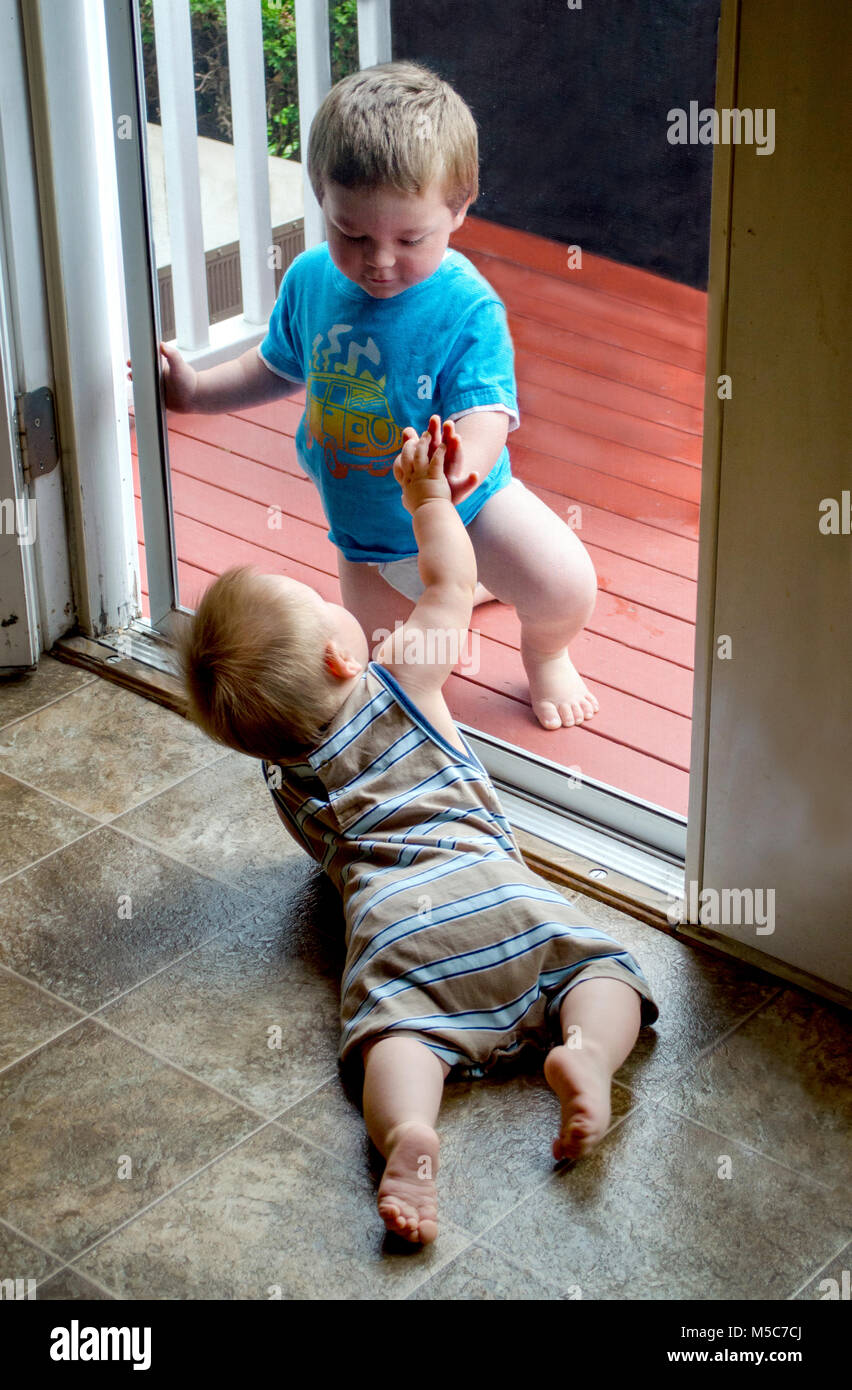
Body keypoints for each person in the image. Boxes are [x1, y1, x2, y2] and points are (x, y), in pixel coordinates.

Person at [178, 419, 659, 1246]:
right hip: (498, 888)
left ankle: (408, 1132)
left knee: (391, 1032)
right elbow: (451, 580)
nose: (334, 597)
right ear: (340, 655)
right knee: (603, 966)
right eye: (319, 599)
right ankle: (586, 1053)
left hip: (394, 926)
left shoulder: (285, 778)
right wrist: (427, 496)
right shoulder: (402, 678)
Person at [155, 60, 601, 733]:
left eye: (409, 238)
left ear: (458, 207)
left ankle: (544, 652)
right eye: (352, 234)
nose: (378, 260)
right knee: (394, 683)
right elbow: (276, 366)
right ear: (322, 202)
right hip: (366, 537)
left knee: (566, 586)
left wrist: (457, 470)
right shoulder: (310, 281)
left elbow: (487, 411)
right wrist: (194, 392)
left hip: (467, 507)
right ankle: (460, 589)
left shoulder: (465, 305)